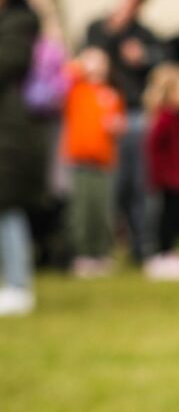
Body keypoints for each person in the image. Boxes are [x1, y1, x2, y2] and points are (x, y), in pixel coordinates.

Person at [85, 0, 164, 265]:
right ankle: (103, 247)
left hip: (135, 114)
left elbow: (163, 58)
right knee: (111, 188)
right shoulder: (98, 27)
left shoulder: (144, 34)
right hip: (106, 114)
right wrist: (113, 30)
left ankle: (142, 247)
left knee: (141, 186)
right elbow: (90, 57)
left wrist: (143, 57)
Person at [0, 0, 46, 315]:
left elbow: (10, 62)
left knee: (7, 205)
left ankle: (18, 284)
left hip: (8, 129)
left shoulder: (18, 24)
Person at [61, 46, 126, 276]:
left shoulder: (111, 94)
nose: (96, 67)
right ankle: (82, 254)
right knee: (81, 210)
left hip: (104, 161)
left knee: (103, 210)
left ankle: (101, 254)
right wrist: (81, 64)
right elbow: (65, 74)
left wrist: (117, 126)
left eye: (101, 62)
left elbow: (119, 122)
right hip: (78, 160)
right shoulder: (75, 89)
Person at [143, 62, 179, 280]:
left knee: (175, 215)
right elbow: (155, 150)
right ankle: (164, 253)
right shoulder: (165, 119)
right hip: (168, 178)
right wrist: (160, 176)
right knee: (166, 216)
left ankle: (171, 251)